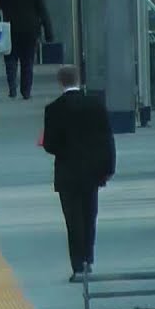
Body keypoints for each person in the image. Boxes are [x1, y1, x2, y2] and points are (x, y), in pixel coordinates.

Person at [43, 65, 115, 282]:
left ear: (60, 82)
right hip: (92, 173)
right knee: (89, 216)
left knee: (73, 221)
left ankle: (78, 266)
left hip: (67, 173)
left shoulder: (53, 109)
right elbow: (107, 139)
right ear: (79, 79)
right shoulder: (96, 105)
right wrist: (109, 168)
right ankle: (88, 259)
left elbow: (49, 145)